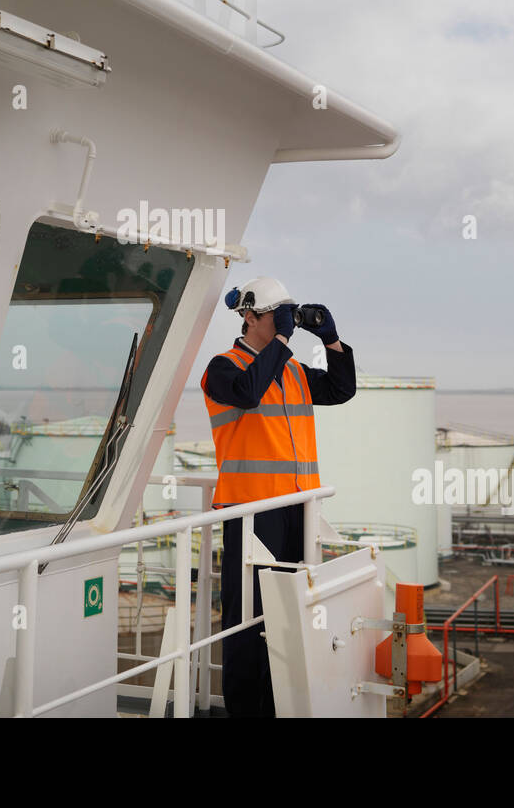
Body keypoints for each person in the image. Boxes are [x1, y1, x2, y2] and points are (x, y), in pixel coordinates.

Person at [200, 277, 355, 717]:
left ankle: (281, 706)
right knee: (248, 621)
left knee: (293, 615)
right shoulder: (222, 368)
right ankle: (247, 711)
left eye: (288, 316)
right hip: (252, 514)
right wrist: (284, 338)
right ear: (249, 317)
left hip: (298, 511)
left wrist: (332, 341)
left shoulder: (291, 371)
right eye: (276, 315)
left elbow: (342, 390)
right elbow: (249, 392)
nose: (285, 323)